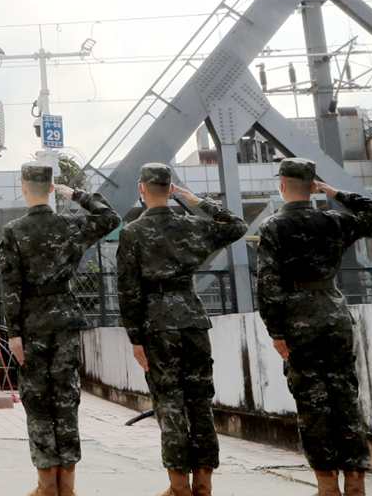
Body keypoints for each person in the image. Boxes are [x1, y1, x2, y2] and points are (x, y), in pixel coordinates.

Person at [256, 158, 372, 496]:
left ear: (282, 184)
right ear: (313, 186)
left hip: (298, 322)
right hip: (334, 313)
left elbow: (267, 286)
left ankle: (327, 485)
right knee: (345, 398)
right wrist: (335, 191)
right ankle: (356, 482)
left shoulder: (273, 228)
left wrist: (276, 332)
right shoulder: (333, 222)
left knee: (312, 405)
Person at [117, 163, 247, 496]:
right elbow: (236, 225)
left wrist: (135, 337)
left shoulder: (133, 232)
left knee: (169, 402)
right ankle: (204, 483)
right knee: (200, 401)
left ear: (142, 189)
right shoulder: (191, 226)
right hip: (191, 317)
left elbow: (128, 290)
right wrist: (196, 201)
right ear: (170, 188)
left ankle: (178, 486)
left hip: (156, 322)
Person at [0, 164, 120, 496]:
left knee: (37, 401)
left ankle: (45, 484)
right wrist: (78, 195)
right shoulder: (69, 226)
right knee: (66, 399)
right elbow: (110, 218)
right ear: (52, 188)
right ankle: (68, 485)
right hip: (65, 320)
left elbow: (10, 287)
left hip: (32, 325)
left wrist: (14, 334)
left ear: (24, 187)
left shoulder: (13, 231)